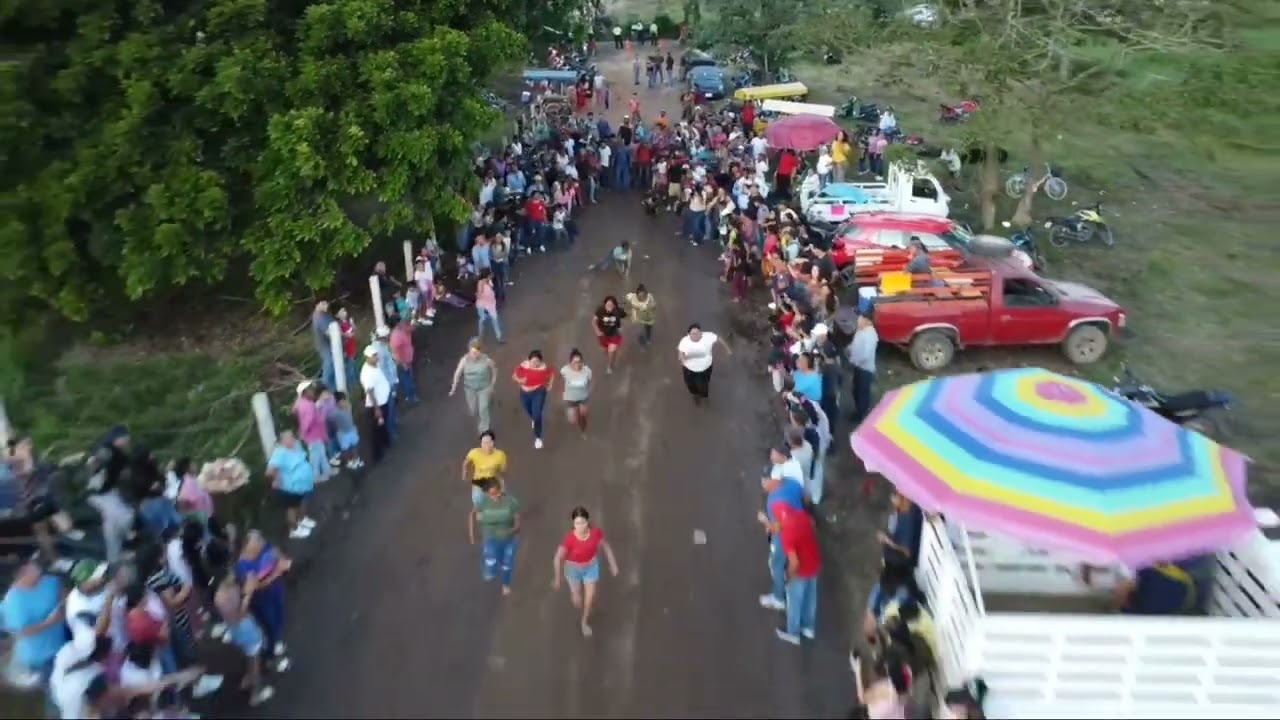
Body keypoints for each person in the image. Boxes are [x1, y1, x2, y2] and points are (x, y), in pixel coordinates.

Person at [551, 507, 620, 637]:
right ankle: (575, 593)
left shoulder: (596, 533)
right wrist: (557, 578)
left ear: (587, 521)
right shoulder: (570, 539)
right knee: (577, 598)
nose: (580, 526)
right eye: (577, 523)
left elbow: (605, 546)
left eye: (582, 522)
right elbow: (557, 558)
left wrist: (613, 563)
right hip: (573, 569)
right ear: (573, 524)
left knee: (589, 599)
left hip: (591, 568)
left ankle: (584, 622)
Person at [1, 557, 66, 686]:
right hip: (41, 657)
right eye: (31, 566)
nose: (36, 567)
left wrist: (64, 604)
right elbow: (22, 631)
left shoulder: (49, 581)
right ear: (22, 573)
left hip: (63, 643)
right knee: (56, 686)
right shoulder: (14, 601)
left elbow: (63, 593)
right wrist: (48, 623)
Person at [234, 530, 293, 673]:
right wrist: (277, 572)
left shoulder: (263, 547)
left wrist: (281, 559)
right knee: (270, 629)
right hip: (261, 602)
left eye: (260, 540)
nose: (262, 543)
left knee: (279, 620)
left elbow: (275, 551)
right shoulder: (243, 566)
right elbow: (255, 586)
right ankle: (270, 659)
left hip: (275, 593)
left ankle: (275, 644)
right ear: (248, 546)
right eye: (257, 542)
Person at [758, 459, 806, 612]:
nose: (763, 484)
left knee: (776, 564)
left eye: (765, 481)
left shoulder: (776, 501)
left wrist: (766, 522)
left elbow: (780, 527)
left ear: (774, 480)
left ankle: (778, 598)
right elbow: (803, 497)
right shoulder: (792, 483)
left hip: (786, 538)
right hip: (801, 527)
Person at [775, 503, 821, 644]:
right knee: (810, 598)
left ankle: (793, 632)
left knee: (795, 600)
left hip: (801, 570)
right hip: (814, 563)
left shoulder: (787, 535)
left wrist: (789, 577)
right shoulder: (802, 517)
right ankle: (808, 627)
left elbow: (794, 563)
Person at [469, 481, 522, 596]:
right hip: (491, 538)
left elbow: (518, 522)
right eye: (492, 494)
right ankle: (490, 570)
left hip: (510, 540)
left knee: (507, 565)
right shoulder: (482, 503)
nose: (495, 496)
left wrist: (512, 531)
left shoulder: (511, 502)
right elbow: (473, 516)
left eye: (497, 492)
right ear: (487, 494)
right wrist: (472, 535)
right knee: (491, 559)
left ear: (501, 490)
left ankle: (506, 585)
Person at [265, 430, 316, 540]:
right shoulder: (279, 453)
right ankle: (294, 530)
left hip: (304, 483)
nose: (291, 440)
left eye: (292, 437)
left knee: (302, 501)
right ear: (281, 441)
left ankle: (302, 519)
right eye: (287, 439)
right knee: (292, 508)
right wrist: (277, 479)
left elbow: (302, 456)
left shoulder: (296, 444)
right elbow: (269, 471)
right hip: (289, 487)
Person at [449, 337, 498, 433]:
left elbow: (494, 370)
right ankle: (481, 407)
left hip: (484, 388)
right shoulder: (464, 360)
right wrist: (453, 388)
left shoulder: (487, 360)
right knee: (473, 410)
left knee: (483, 408)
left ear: (480, 351)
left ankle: (484, 429)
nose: (474, 355)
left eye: (476, 353)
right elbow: (457, 373)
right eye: (472, 353)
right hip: (470, 389)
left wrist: (492, 384)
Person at [677, 323, 732, 404]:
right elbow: (680, 352)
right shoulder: (685, 341)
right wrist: (681, 358)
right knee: (690, 384)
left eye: (697, 333)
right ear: (689, 334)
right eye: (693, 333)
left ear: (701, 332)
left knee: (704, 385)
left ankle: (703, 396)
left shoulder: (708, 337)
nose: (696, 335)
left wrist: (727, 349)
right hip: (689, 369)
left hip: (705, 369)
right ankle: (695, 395)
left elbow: (719, 339)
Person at [513, 350, 555, 449]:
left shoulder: (543, 369)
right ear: (529, 360)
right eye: (533, 361)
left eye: (537, 361)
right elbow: (514, 375)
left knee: (537, 414)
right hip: (524, 393)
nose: (535, 363)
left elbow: (552, 373)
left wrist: (550, 385)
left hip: (538, 391)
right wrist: (519, 380)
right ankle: (534, 419)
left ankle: (538, 437)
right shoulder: (523, 366)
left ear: (540, 362)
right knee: (528, 409)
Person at [360, 345, 393, 462]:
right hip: (377, 405)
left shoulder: (375, 365)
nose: (376, 357)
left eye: (376, 354)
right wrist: (377, 408)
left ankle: (386, 442)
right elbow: (370, 392)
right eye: (374, 356)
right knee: (376, 429)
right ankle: (377, 454)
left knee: (382, 424)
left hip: (383, 400)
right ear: (368, 358)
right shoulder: (367, 373)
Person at [462, 430, 507, 508]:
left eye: (487, 442)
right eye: (483, 443)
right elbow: (465, 463)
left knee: (498, 504)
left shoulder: (500, 455)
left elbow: (501, 472)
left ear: (492, 443)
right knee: (478, 500)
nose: (484, 445)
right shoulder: (474, 452)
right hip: (479, 481)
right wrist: (464, 472)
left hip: (493, 481)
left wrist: (502, 487)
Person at [849, 313, 879, 424]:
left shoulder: (870, 335)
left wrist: (855, 360)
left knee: (863, 392)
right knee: (856, 390)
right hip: (858, 366)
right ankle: (858, 411)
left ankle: (863, 415)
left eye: (860, 319)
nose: (858, 321)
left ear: (867, 321)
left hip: (865, 369)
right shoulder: (861, 331)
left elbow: (866, 354)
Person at [560, 349, 594, 435]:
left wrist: (589, 391)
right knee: (572, 420)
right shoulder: (565, 370)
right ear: (570, 362)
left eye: (579, 362)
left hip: (583, 397)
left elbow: (592, 381)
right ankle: (577, 417)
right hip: (570, 399)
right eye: (575, 362)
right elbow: (561, 381)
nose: (577, 364)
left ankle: (583, 430)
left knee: (583, 414)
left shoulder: (587, 371)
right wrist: (563, 392)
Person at [592, 296, 627, 374]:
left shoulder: (617, 311)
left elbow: (625, 315)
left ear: (614, 305)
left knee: (611, 351)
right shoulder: (600, 310)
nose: (609, 306)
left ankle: (610, 365)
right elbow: (594, 321)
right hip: (603, 335)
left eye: (611, 305)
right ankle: (611, 354)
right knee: (605, 351)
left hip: (614, 335)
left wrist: (616, 312)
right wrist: (597, 331)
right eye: (607, 304)